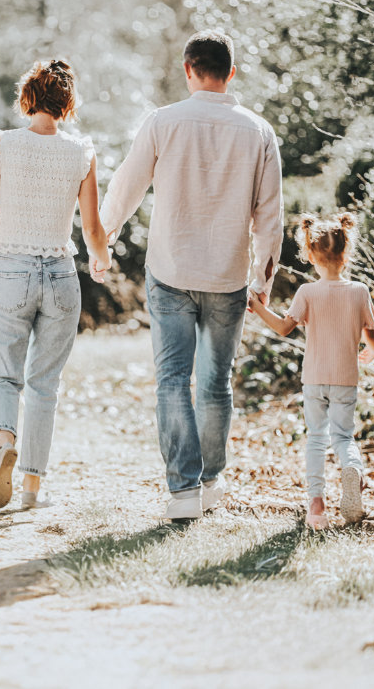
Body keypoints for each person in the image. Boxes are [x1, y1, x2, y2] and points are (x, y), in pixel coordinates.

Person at [98, 30, 284, 520]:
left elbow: (125, 188)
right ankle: (211, 482)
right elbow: (270, 215)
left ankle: (182, 492)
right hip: (228, 275)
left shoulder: (163, 122)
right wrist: (264, 280)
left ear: (187, 70)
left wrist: (104, 239)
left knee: (172, 381)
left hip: (171, 269)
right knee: (216, 383)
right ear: (231, 73)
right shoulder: (259, 130)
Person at [0, 59, 111, 510]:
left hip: (10, 271)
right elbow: (91, 227)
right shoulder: (81, 152)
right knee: (45, 383)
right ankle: (31, 487)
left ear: (27, 97)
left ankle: (5, 441)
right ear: (67, 103)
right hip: (61, 276)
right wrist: (102, 259)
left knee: (1, 373)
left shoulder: (3, 145)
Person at [248, 213, 374, 528]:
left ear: (310, 255)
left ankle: (316, 505)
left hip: (314, 380)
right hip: (346, 379)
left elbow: (283, 328)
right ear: (347, 255)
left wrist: (259, 307)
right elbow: (371, 335)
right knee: (343, 436)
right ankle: (352, 469)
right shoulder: (359, 291)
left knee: (316, 439)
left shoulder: (307, 293)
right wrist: (371, 351)